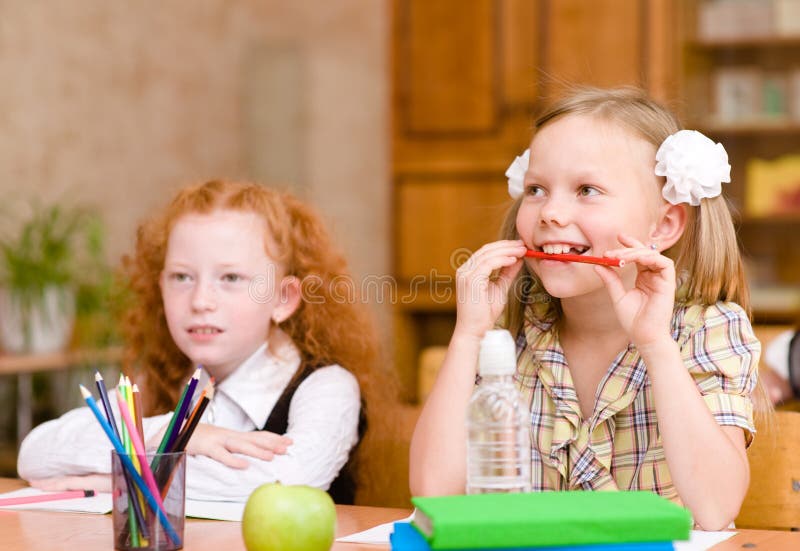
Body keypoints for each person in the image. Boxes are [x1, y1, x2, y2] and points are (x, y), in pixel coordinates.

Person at [409, 87, 762, 530]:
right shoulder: (504, 328)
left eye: (587, 190)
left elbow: (715, 508)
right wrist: (467, 336)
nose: (551, 213)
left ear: (664, 224)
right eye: (536, 189)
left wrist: (655, 345)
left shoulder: (708, 328)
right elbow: (432, 499)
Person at [17, 180, 389, 503]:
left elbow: (288, 482)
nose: (200, 301)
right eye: (181, 277)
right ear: (159, 285)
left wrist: (114, 479)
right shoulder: (162, 381)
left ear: (283, 299)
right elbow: (35, 454)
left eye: (230, 278)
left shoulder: (327, 386)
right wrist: (168, 433)